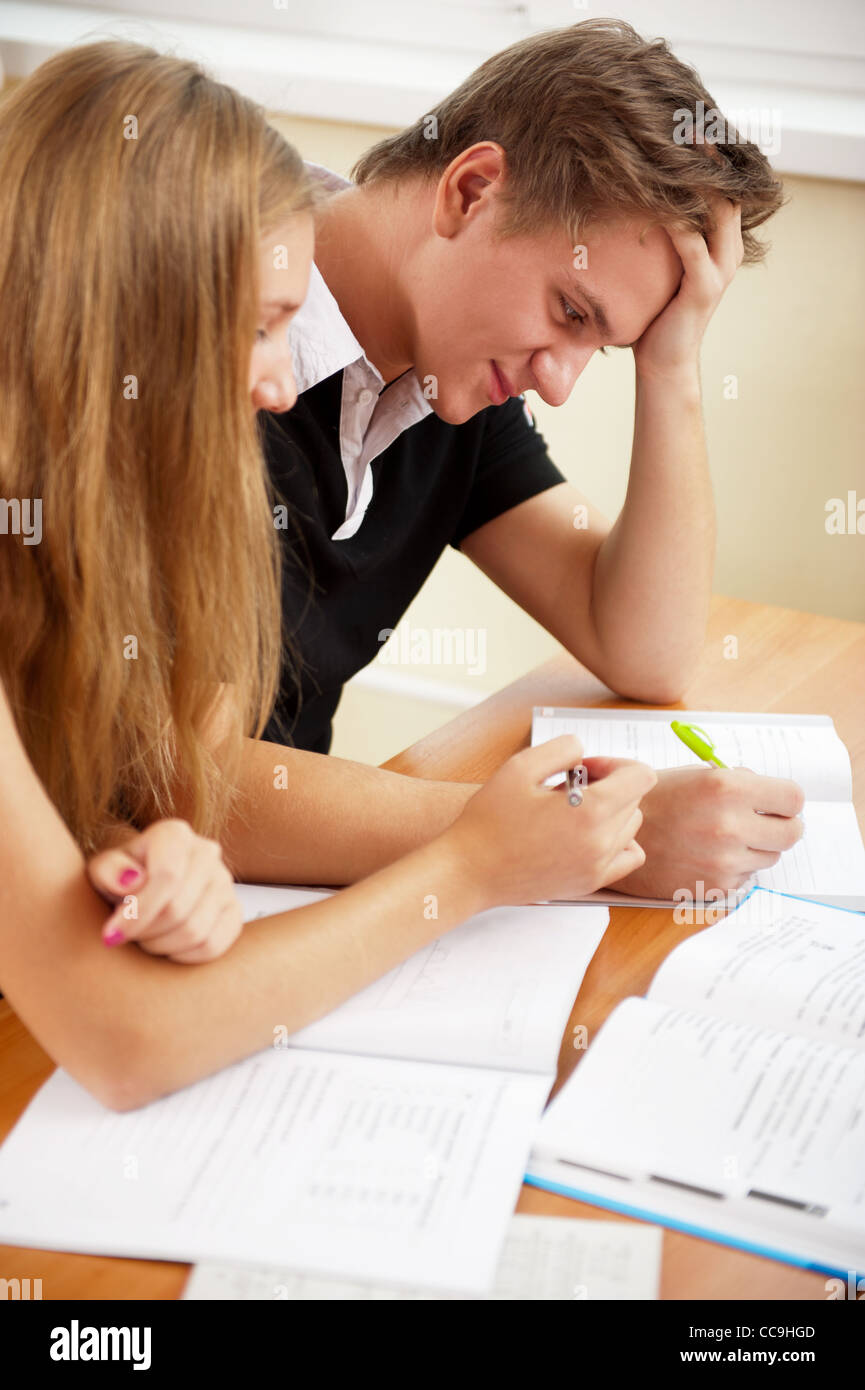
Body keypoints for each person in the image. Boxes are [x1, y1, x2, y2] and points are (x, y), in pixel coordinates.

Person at [0, 41, 654, 1111]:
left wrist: (130, 855)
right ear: (118, 315)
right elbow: (128, 1046)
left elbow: (66, 799)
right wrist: (468, 867)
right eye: (261, 328)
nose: (277, 384)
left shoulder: (73, 534)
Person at [237, 18, 805, 901]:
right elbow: (171, 781)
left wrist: (670, 368)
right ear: (470, 191)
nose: (560, 383)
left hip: (248, 901)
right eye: (572, 312)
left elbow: (643, 650)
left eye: (601, 347)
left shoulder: (441, 384)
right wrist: (585, 834)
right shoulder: (228, 331)